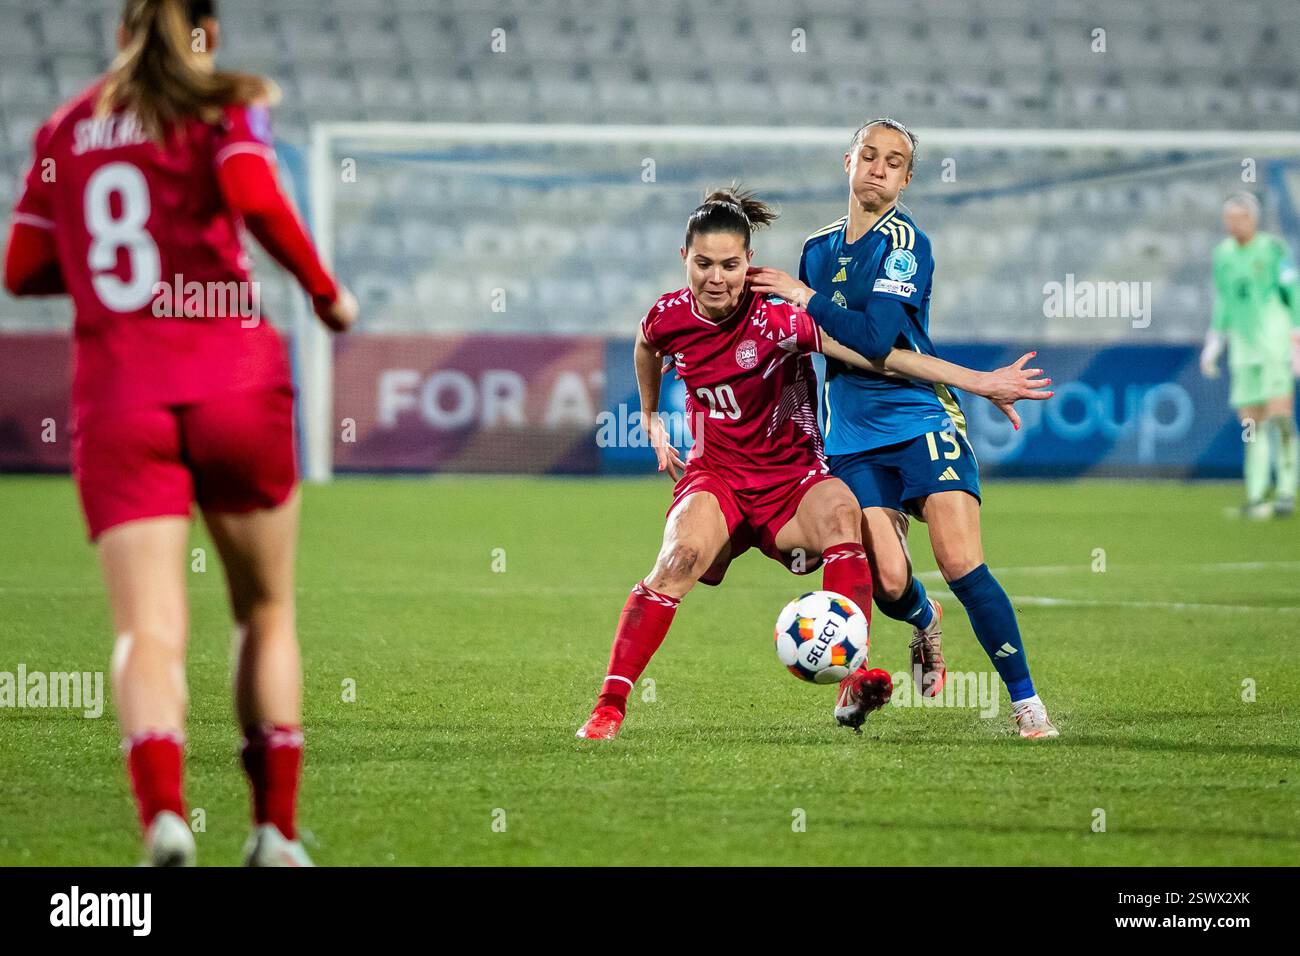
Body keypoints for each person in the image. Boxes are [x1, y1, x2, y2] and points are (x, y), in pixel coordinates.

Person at [3, 0, 356, 864]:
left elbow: (21, 268)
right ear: (210, 34)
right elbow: (253, 195)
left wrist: (117, 280)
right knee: (264, 610)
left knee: (148, 630)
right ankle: (274, 832)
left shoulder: (65, 129)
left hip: (122, 395)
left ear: (121, 34)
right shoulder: (227, 104)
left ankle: (164, 816)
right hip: (235, 382)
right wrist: (324, 294)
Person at [577, 186, 1051, 740]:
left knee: (844, 517)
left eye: (730, 265)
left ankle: (853, 675)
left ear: (749, 261)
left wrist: (980, 382)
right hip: (718, 476)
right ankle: (609, 707)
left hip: (794, 481)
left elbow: (881, 357)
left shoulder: (781, 318)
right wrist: (650, 416)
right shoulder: (669, 315)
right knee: (677, 560)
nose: (716, 278)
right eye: (703, 264)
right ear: (685, 258)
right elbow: (645, 344)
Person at [750, 118, 1059, 738]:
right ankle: (924, 621)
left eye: (894, 162)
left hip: (920, 418)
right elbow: (804, 340)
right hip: (852, 437)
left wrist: (802, 297)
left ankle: (1027, 704)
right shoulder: (817, 248)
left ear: (907, 179)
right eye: (869, 156)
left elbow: (874, 339)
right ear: (848, 162)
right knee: (890, 582)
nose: (879, 169)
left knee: (961, 563)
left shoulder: (905, 243)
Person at [1200, 192, 1300, 518]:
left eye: (1239, 218)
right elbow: (1224, 299)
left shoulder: (1273, 249)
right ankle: (1256, 494)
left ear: (1253, 219)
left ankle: (1286, 491)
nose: (1233, 225)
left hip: (1274, 342)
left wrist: (1297, 333)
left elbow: (1293, 289)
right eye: (1228, 219)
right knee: (1251, 424)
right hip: (1243, 348)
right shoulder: (1223, 255)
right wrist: (1214, 341)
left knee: (1280, 416)